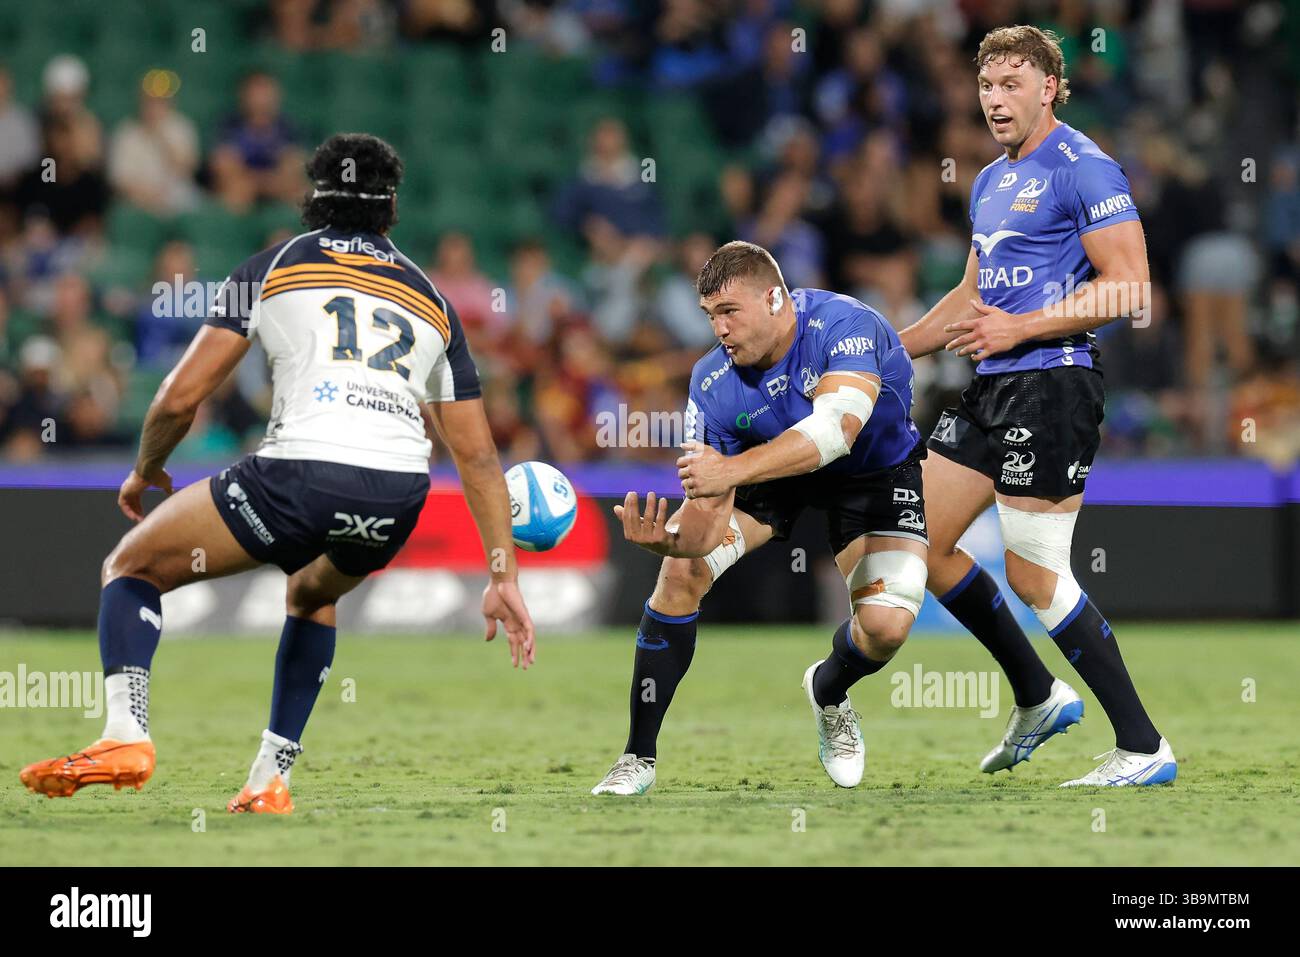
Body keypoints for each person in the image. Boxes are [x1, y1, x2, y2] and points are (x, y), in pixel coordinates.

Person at [20, 134, 536, 813]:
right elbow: (476, 457)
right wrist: (502, 573)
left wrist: (147, 468)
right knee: (312, 592)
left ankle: (124, 734)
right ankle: (268, 779)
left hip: (301, 471)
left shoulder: (278, 262)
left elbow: (180, 395)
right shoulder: (432, 297)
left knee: (131, 566)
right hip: (395, 494)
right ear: (391, 210)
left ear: (311, 198)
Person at [899, 26, 1175, 787]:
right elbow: (971, 296)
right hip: (992, 385)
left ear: (1049, 87)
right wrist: (890, 350)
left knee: (1036, 573)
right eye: (987, 85)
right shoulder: (990, 180)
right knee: (916, 540)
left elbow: (1128, 285)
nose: (995, 99)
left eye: (1012, 83)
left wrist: (1020, 325)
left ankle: (1144, 745)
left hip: (1052, 381)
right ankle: (1038, 693)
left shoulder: (1084, 166)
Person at [591, 240, 928, 794]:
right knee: (680, 578)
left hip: (873, 473)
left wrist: (731, 470)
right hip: (774, 473)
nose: (719, 330)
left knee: (886, 629)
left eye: (729, 312)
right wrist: (670, 545)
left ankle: (828, 690)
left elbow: (834, 431)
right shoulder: (710, 383)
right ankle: (637, 758)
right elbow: (701, 527)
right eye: (710, 316)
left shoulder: (843, 323)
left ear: (774, 298)